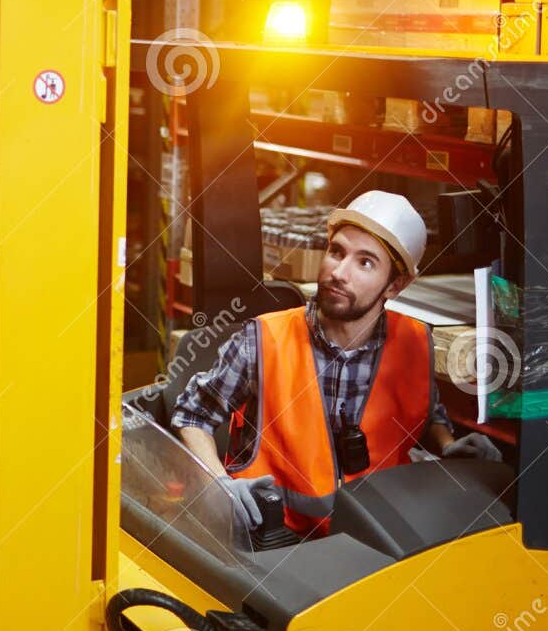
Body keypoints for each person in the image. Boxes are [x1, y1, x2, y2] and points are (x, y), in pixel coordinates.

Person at [171, 190, 502, 537]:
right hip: (274, 540)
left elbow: (424, 413)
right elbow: (193, 415)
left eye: (365, 263)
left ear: (396, 284)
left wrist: (447, 445)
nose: (339, 272)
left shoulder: (415, 343)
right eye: (336, 252)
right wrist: (219, 485)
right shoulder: (263, 340)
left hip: (377, 541)